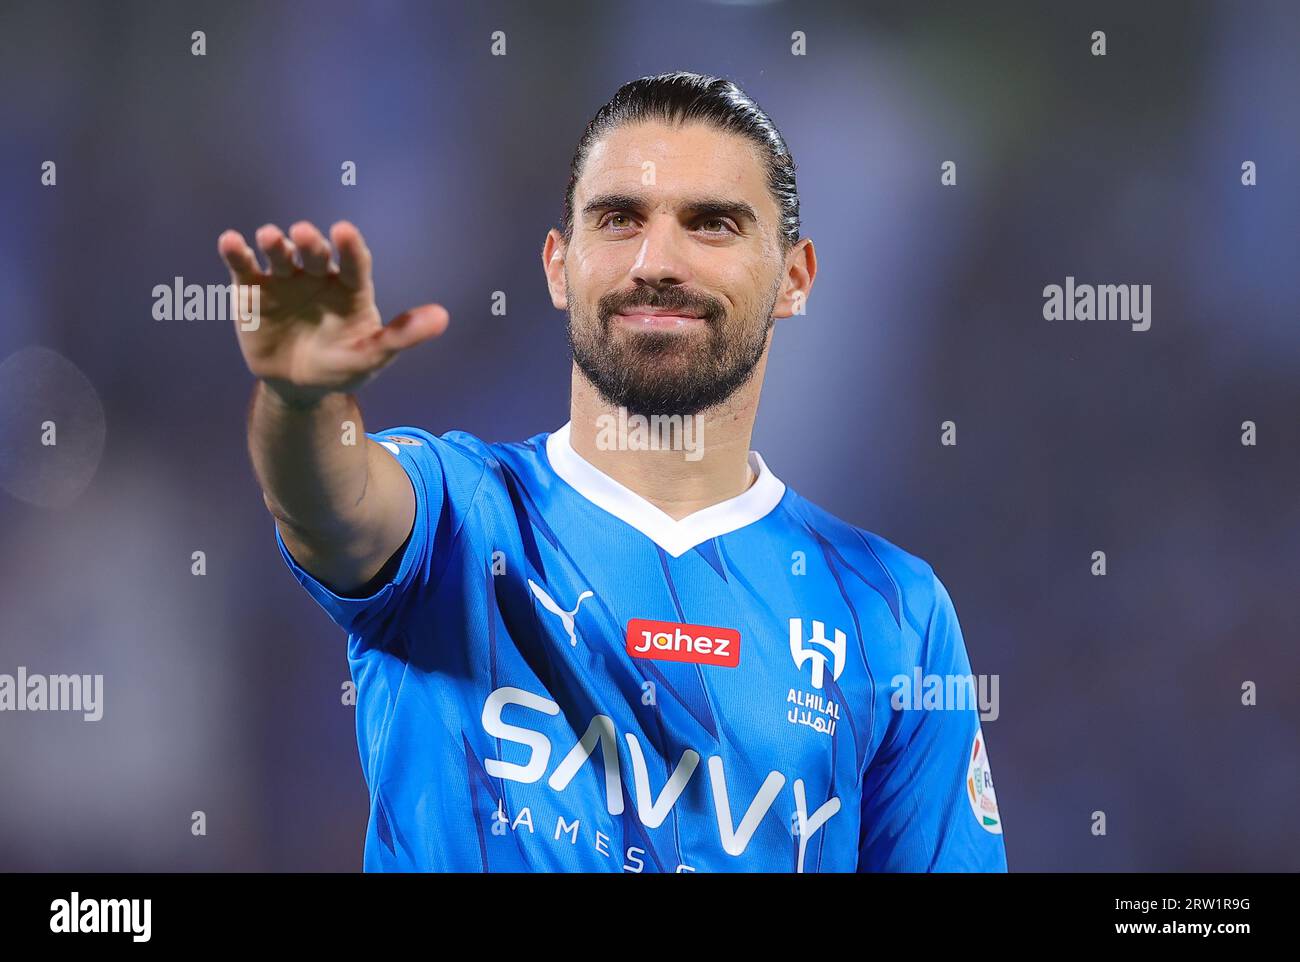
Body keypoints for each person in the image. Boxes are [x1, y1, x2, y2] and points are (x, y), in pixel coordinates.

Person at [218, 71, 1006, 872]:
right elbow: (331, 504)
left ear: (794, 279)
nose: (656, 261)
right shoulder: (463, 513)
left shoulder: (895, 613)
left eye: (712, 224)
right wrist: (301, 401)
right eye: (620, 219)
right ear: (560, 266)